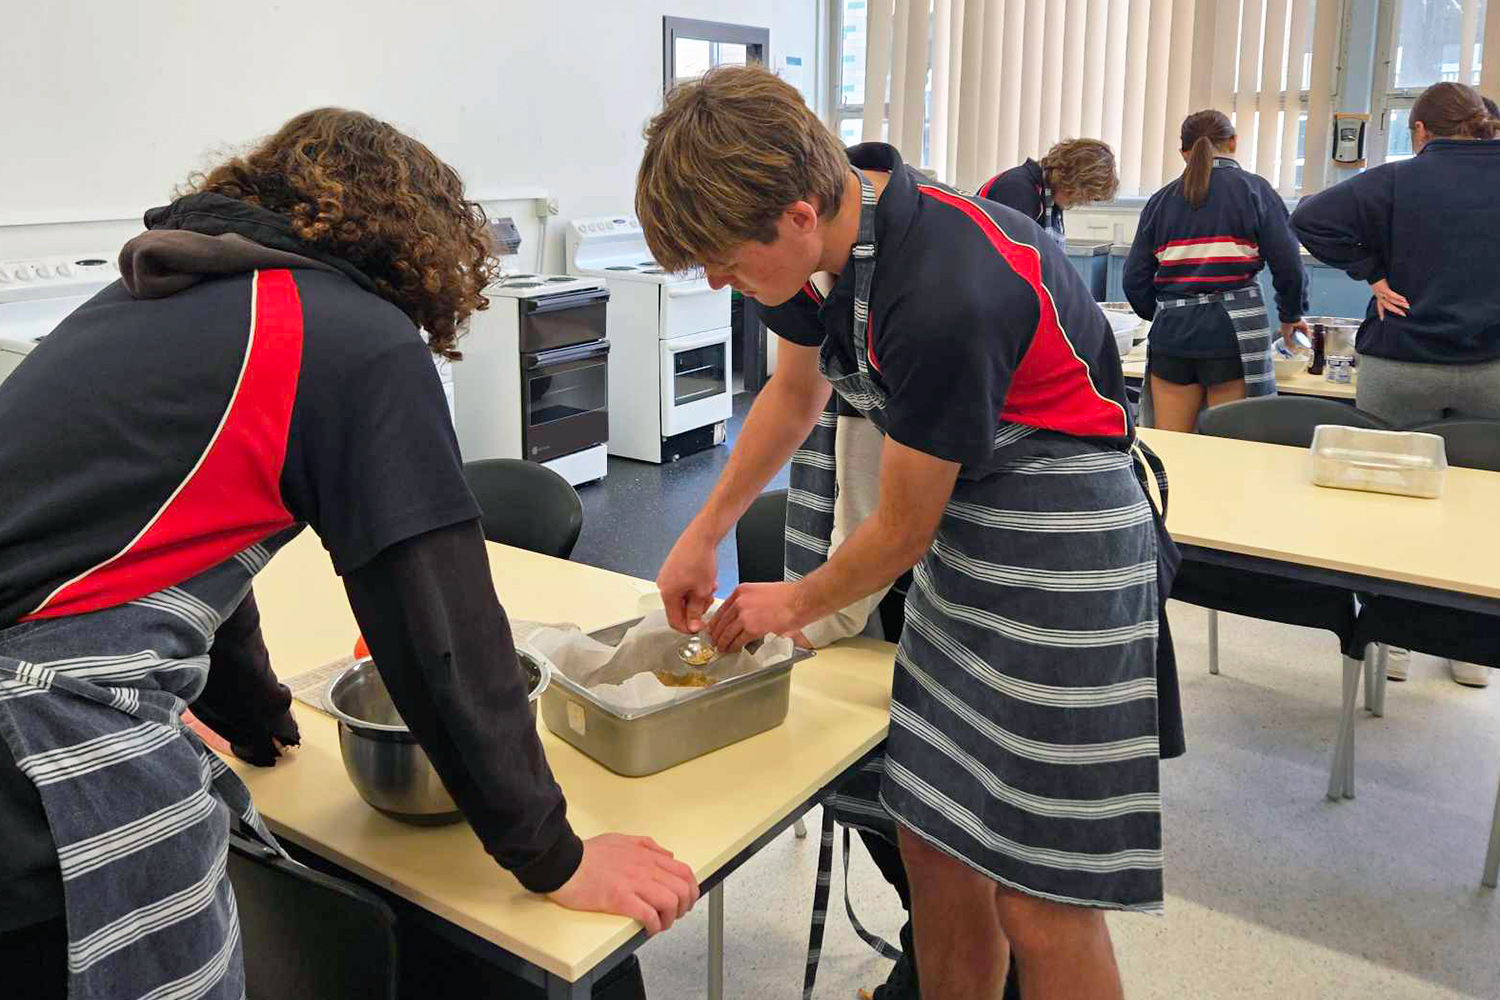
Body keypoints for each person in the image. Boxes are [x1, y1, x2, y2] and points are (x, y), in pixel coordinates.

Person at [0, 109, 696, 1000]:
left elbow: (188, 549)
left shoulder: (158, 301)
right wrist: (552, 856)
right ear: (423, 244)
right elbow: (441, 625)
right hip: (41, 755)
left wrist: (252, 714)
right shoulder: (348, 337)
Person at [638, 66, 1174, 1000]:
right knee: (933, 835)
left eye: (724, 259)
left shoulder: (944, 289)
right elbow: (798, 391)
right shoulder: (822, 251)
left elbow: (902, 527)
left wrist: (792, 603)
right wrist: (705, 529)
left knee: (1042, 895)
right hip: (969, 544)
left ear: (800, 214)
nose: (721, 281)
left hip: (1063, 550)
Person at [1293, 80, 1500, 689]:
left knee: (1386, 499)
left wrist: (1373, 275)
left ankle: (1396, 635)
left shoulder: (1396, 179)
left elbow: (1310, 218)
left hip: (1402, 361)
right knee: (1481, 507)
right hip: (1491, 365)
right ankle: (1470, 645)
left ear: (1420, 132)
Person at [1123, 110, 1309, 432]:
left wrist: (1166, 313)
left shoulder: (1160, 200)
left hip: (1172, 334)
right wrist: (1291, 315)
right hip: (1232, 333)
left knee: (1173, 449)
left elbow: (1134, 278)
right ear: (1233, 142)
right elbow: (1289, 265)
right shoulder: (1254, 191)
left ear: (1183, 152)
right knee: (1230, 445)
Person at [976, 139, 1120, 243]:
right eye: (1083, 196)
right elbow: (1007, 261)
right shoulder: (1017, 191)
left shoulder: (1050, 199)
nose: (1081, 203)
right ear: (1073, 181)